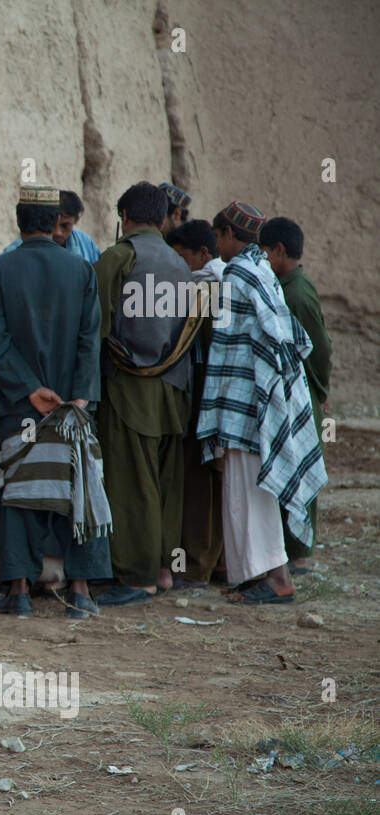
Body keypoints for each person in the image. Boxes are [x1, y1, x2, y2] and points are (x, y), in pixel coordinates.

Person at [0, 184, 108, 617]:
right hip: (71, 406)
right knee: (78, 488)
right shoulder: (82, 271)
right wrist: (78, 396)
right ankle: (81, 593)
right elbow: (90, 342)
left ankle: (18, 592)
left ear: (19, 224)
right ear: (56, 223)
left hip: (21, 408)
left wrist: (29, 390)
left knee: (19, 490)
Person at [198, 202, 327, 603]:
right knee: (247, 493)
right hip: (254, 404)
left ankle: (277, 580)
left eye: (219, 235)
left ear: (231, 235)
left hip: (248, 406)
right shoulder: (261, 270)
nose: (217, 243)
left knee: (252, 496)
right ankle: (257, 576)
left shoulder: (240, 273)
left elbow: (260, 342)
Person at [94, 182, 197, 606]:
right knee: (165, 486)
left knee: (132, 485)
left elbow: (95, 330)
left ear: (125, 217)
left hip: (127, 393)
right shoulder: (180, 263)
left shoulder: (118, 257)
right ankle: (162, 572)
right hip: (174, 393)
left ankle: (137, 579)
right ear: (162, 219)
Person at [259, 216, 332, 572]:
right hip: (290, 393)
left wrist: (319, 390)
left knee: (301, 468)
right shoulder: (282, 286)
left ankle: (300, 554)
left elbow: (319, 350)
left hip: (302, 394)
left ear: (280, 251)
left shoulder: (296, 293)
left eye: (265, 252)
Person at [0, 187, 99, 377]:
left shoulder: (84, 252)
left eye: (66, 226)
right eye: (55, 225)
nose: (58, 232)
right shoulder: (7, 263)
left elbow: (90, 331)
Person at [166, 218, 226, 585]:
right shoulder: (224, 281)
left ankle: (197, 567)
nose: (178, 265)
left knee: (200, 483)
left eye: (182, 257)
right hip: (214, 400)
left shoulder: (207, 288)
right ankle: (217, 563)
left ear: (203, 253)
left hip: (203, 398)